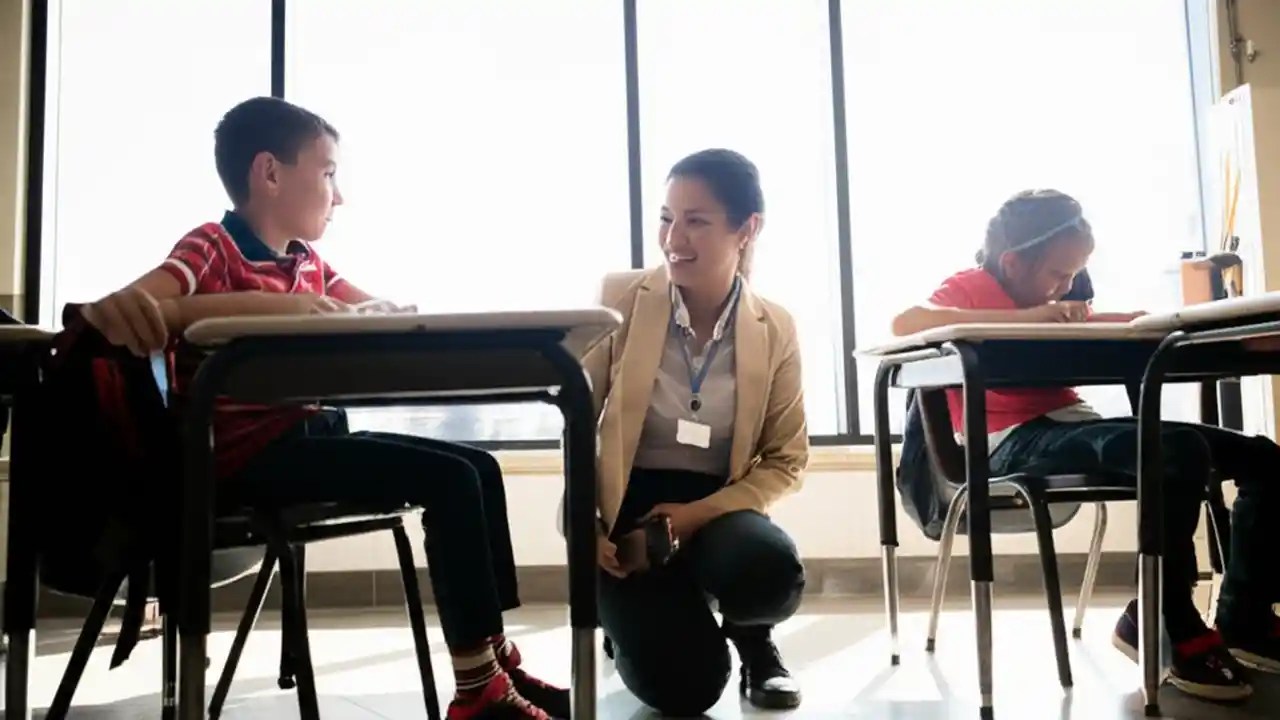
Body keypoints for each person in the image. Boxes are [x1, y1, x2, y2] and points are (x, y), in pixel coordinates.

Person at [79, 96, 567, 720]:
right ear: (271, 173)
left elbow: (376, 313)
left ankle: (494, 661)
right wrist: (209, 312)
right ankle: (478, 691)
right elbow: (136, 306)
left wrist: (388, 314)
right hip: (240, 463)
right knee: (449, 481)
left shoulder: (308, 264)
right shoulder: (213, 248)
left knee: (479, 468)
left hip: (301, 441)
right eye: (329, 172)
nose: (340, 196)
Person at [891, 189, 1280, 702]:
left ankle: (1244, 614)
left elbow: (1094, 325)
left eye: (1073, 274)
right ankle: (1164, 615)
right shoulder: (970, 287)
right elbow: (905, 324)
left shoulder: (1053, 299)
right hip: (1011, 442)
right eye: (1057, 274)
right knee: (1178, 450)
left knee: (1264, 459)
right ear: (1012, 262)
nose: (1067, 285)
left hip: (1070, 427)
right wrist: (1031, 319)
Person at [582, 149, 808, 715]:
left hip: (716, 505)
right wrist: (585, 523)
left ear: (746, 229)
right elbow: (574, 419)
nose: (673, 237)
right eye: (666, 217)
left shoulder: (774, 325)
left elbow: (786, 459)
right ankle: (640, 620)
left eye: (696, 220)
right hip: (627, 512)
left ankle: (753, 640)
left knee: (769, 573)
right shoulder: (621, 299)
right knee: (685, 688)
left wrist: (689, 517)